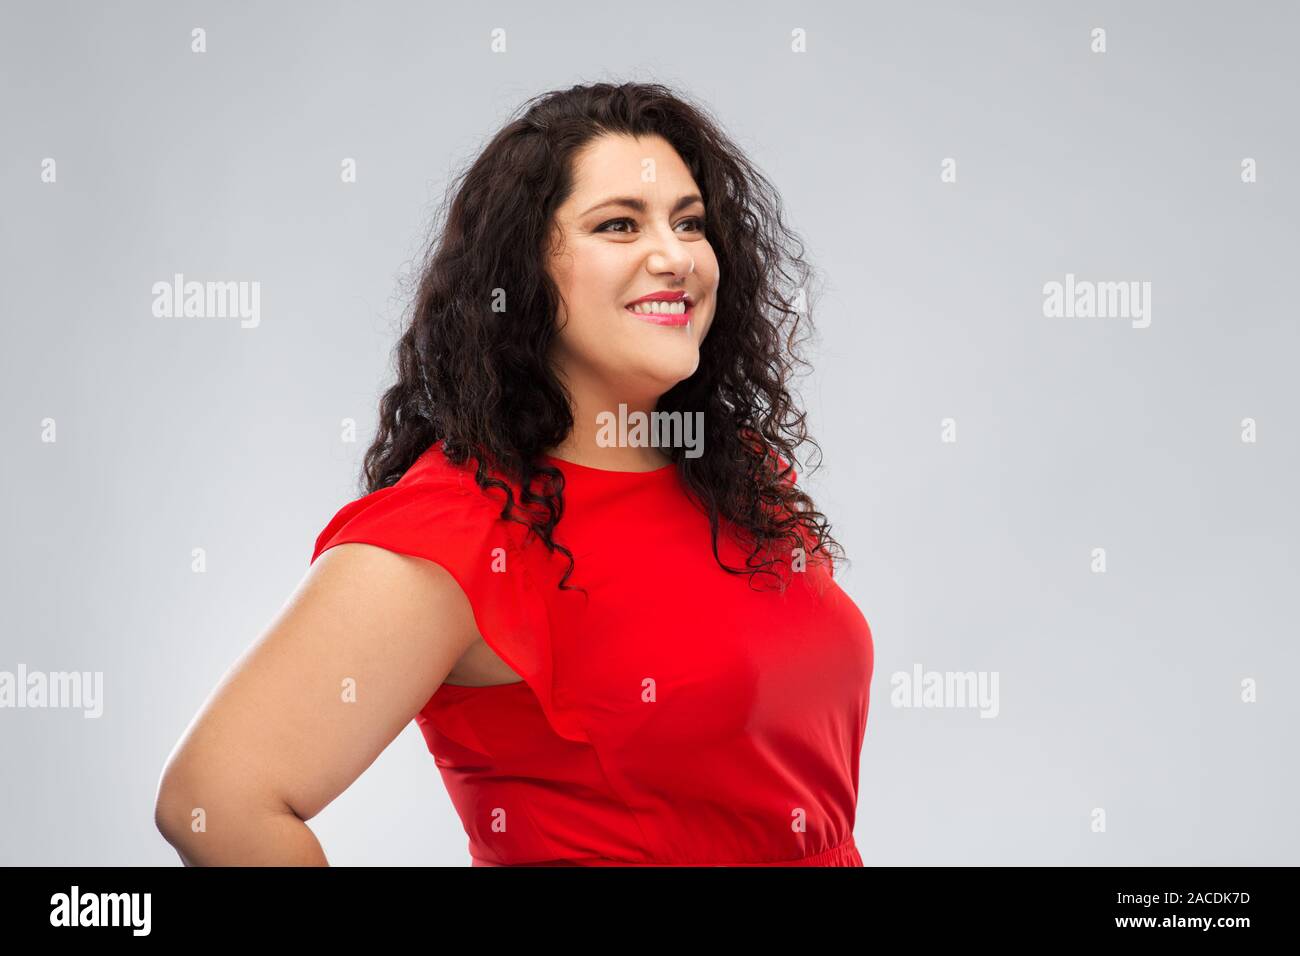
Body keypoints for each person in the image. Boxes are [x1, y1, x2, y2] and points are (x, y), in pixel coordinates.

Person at [155, 81, 874, 866]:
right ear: (525, 268)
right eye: (619, 225)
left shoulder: (733, 474)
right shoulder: (460, 532)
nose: (674, 257)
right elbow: (214, 799)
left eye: (689, 223)